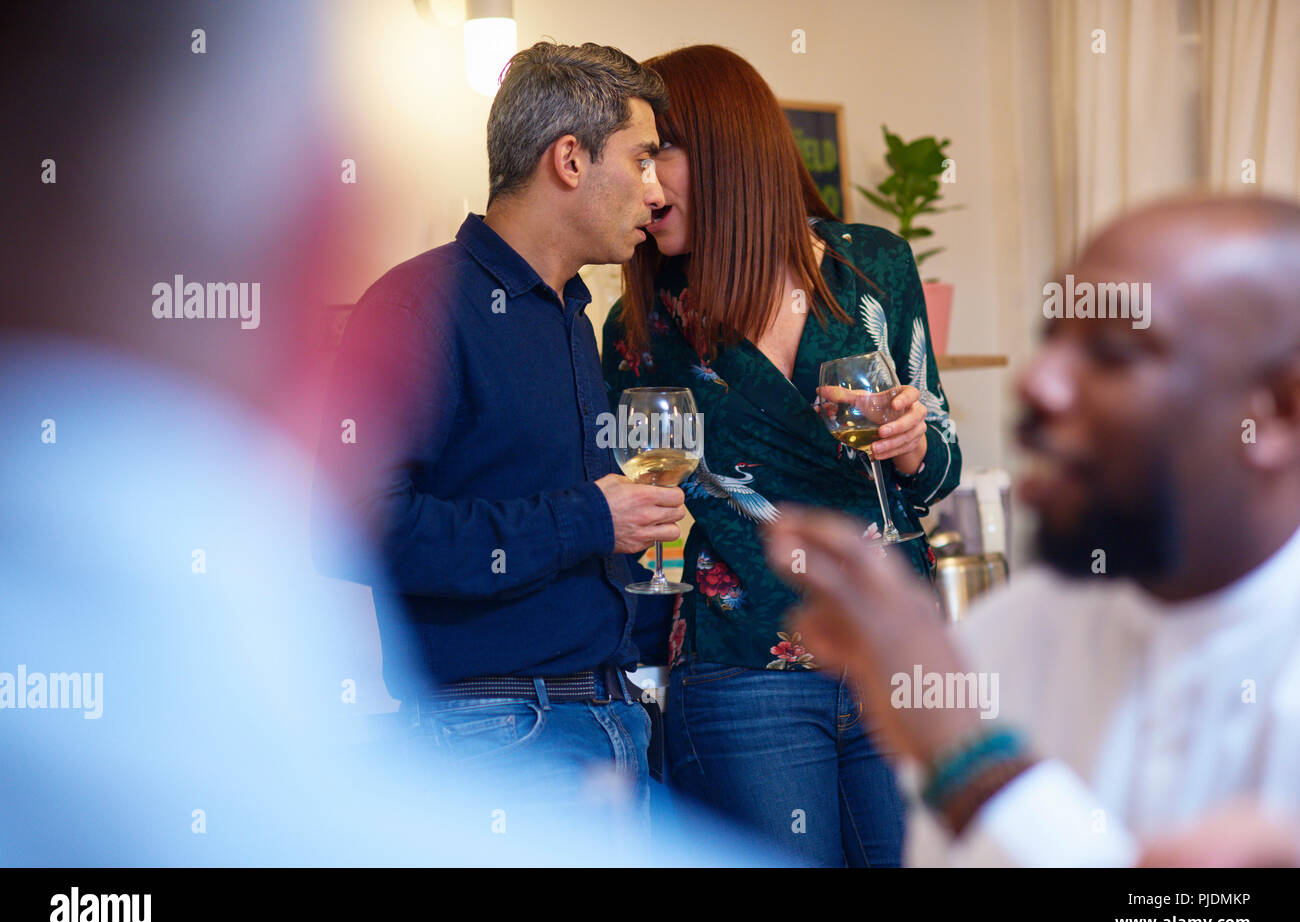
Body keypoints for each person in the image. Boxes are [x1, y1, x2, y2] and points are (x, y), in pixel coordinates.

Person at [764, 194, 1300, 866]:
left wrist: (968, 765)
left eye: (1114, 353)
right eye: (1053, 340)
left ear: (1277, 410)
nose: (1038, 383)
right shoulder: (1005, 637)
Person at [311, 41, 689, 828]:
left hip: (603, 715)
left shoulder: (573, 314)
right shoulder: (419, 303)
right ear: (570, 159)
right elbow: (357, 529)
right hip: (496, 734)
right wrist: (593, 516)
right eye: (643, 158)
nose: (657, 192)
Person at [600, 45, 962, 866]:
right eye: (640, 159)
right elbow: (626, 513)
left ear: (729, 151)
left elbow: (941, 474)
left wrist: (911, 442)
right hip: (741, 673)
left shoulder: (874, 270)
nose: (648, 184)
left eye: (663, 153)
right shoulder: (639, 329)